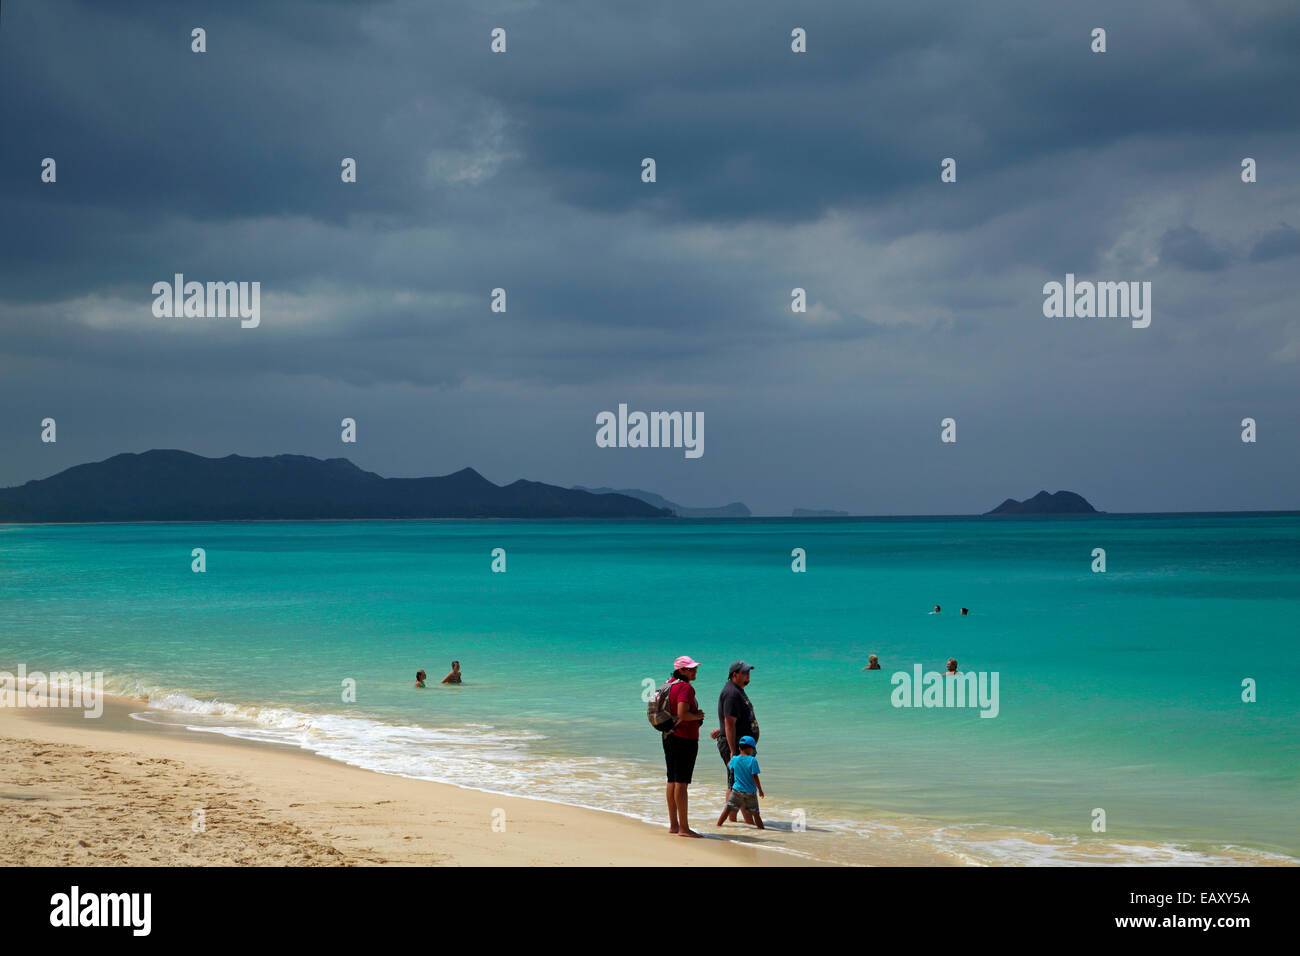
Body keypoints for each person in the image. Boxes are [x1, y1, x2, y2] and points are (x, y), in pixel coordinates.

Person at [663, 655, 706, 837]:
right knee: (682, 782)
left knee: (672, 780)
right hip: (685, 738)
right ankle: (684, 828)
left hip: (668, 736)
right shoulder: (685, 687)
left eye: (694, 668)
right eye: (690, 669)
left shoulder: (668, 684)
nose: (694, 671)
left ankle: (674, 825)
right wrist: (698, 716)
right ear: (681, 671)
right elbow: (683, 713)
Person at [712, 661, 758, 821]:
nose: (747, 675)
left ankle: (734, 820)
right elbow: (729, 722)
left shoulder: (737, 690)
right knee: (739, 783)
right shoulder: (732, 693)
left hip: (742, 745)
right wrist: (733, 751)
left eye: (748, 672)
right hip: (736, 747)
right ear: (734, 675)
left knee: (737, 782)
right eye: (744, 672)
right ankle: (740, 821)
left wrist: (721, 730)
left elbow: (731, 721)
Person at [716, 736, 763, 829]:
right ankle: (762, 830)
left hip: (736, 790)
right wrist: (760, 790)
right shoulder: (753, 760)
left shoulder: (735, 759)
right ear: (751, 748)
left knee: (727, 809)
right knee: (755, 813)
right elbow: (755, 776)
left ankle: (718, 825)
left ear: (739, 748)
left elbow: (729, 766)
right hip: (751, 792)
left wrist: (731, 757)